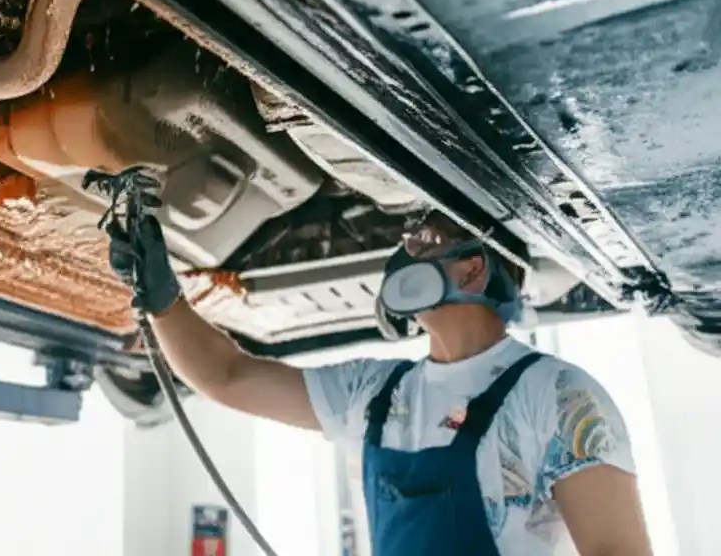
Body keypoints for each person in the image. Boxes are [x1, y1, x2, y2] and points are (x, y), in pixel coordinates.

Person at [107, 207, 652, 556]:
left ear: (472, 269)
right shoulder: (376, 392)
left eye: (426, 237)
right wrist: (162, 300)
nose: (404, 251)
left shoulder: (557, 396)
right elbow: (229, 377)